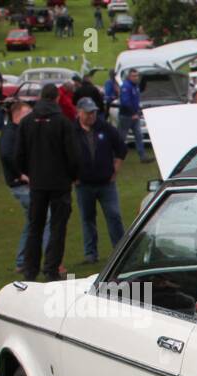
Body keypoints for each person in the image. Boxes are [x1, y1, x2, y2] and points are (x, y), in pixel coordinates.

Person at [15, 84, 81, 281]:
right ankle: (51, 269)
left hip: (37, 183)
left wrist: (30, 172)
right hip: (60, 183)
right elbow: (73, 155)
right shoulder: (63, 123)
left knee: (35, 226)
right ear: (57, 99)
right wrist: (72, 175)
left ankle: (30, 269)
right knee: (57, 228)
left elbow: (18, 155)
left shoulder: (27, 122)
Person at [73, 98, 126, 264]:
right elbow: (62, 154)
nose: (91, 116)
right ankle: (90, 253)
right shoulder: (71, 131)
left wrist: (115, 169)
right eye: (88, 112)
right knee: (87, 218)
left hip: (106, 183)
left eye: (94, 112)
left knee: (114, 215)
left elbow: (121, 149)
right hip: (83, 184)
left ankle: (120, 251)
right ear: (79, 112)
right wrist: (72, 176)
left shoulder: (105, 128)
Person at [0, 99, 50, 274]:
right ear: (18, 114)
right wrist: (21, 174)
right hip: (21, 186)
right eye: (28, 114)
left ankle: (22, 260)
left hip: (25, 184)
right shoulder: (10, 133)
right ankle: (47, 260)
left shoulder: (20, 132)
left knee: (32, 222)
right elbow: (7, 155)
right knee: (44, 217)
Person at [117, 68, 146, 161]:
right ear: (129, 77)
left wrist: (138, 111)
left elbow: (136, 100)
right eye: (134, 76)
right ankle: (116, 156)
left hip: (135, 115)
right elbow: (125, 102)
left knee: (139, 135)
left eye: (137, 75)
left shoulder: (135, 86)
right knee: (122, 137)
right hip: (126, 116)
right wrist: (133, 113)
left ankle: (142, 156)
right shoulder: (126, 86)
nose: (136, 77)